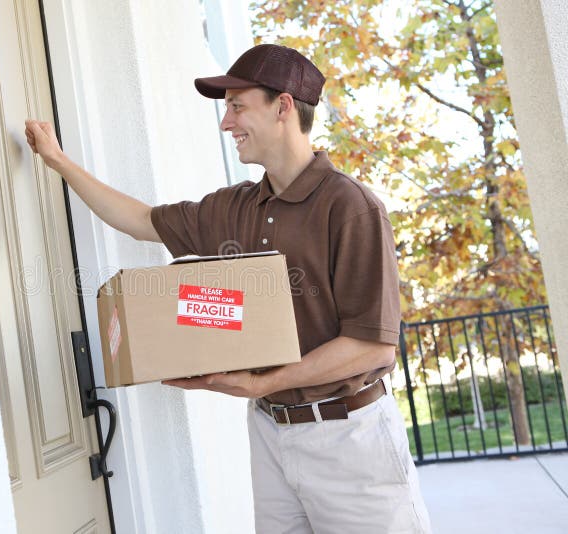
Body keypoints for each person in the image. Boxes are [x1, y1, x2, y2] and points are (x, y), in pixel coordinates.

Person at [26, 43, 431, 534]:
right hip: (270, 432)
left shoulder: (349, 206)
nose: (226, 123)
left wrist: (262, 382)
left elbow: (371, 345)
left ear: (283, 107)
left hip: (350, 438)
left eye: (238, 107)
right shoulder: (234, 207)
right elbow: (138, 221)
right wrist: (57, 161)